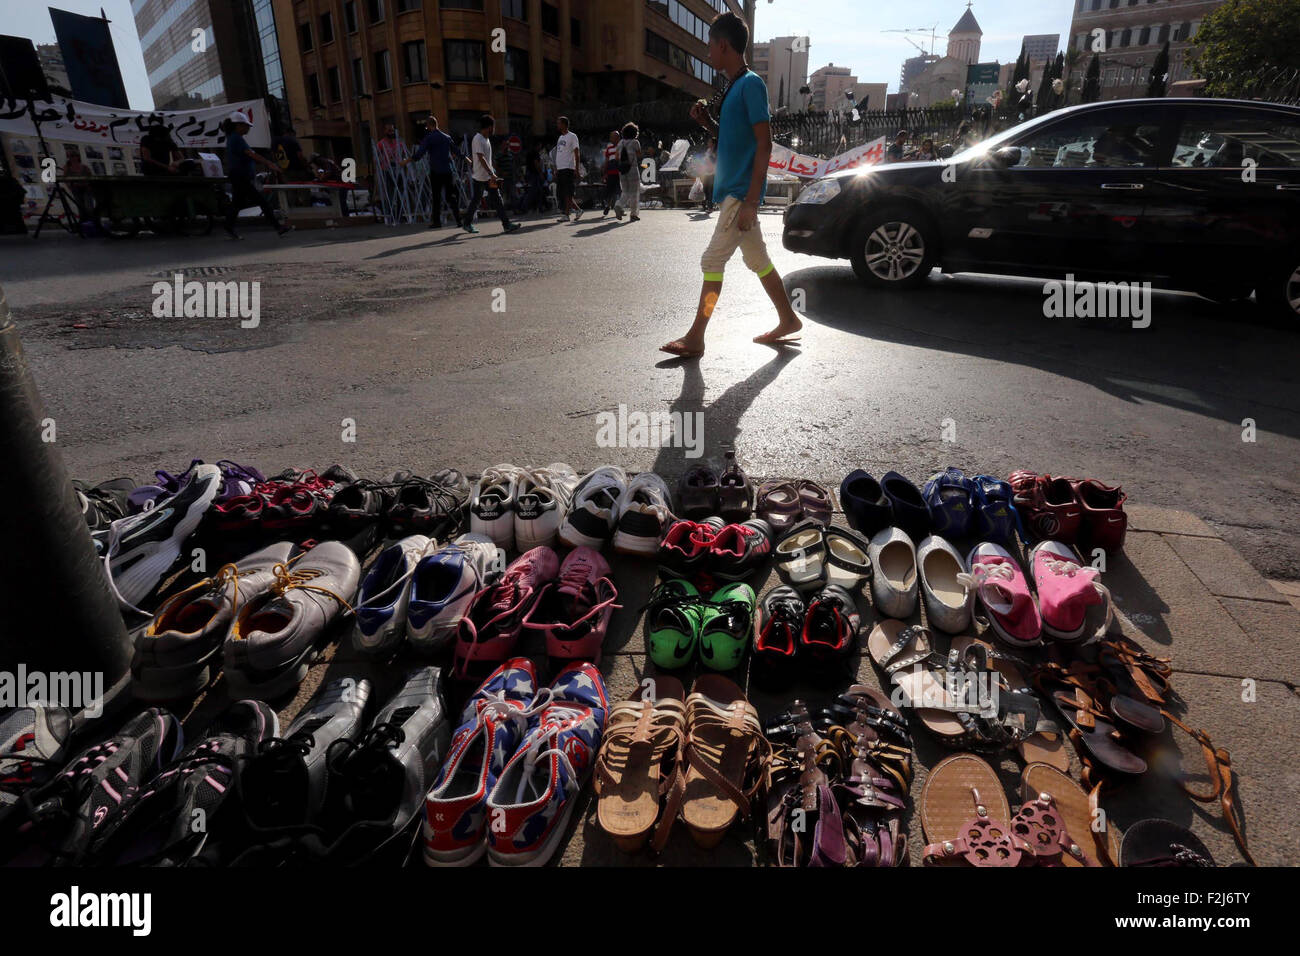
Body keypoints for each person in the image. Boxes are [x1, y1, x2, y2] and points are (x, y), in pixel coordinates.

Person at [660, 11, 802, 359]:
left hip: (741, 194)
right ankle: (788, 318)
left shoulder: (751, 84)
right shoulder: (737, 85)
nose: (708, 52)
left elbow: (764, 143)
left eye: (710, 44)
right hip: (738, 192)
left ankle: (696, 337)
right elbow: (735, 140)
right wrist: (708, 122)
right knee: (759, 260)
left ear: (723, 45)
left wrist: (752, 200)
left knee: (712, 261)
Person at [222, 110, 292, 239]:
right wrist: (270, 164)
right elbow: (251, 154)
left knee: (237, 204)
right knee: (263, 202)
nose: (248, 128)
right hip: (240, 176)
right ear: (238, 125)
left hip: (239, 176)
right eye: (246, 125)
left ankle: (228, 226)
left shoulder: (234, 138)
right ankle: (278, 227)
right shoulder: (236, 138)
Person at [401, 115, 464, 229]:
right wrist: (464, 157)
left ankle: (437, 222)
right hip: (447, 170)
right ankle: (459, 220)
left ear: (429, 126)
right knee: (451, 196)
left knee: (436, 197)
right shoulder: (447, 137)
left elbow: (420, 153)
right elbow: (456, 151)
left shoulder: (429, 138)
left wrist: (408, 160)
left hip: (435, 171)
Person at [462, 114, 520, 235]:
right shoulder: (478, 139)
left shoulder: (486, 139)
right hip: (480, 177)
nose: (494, 129)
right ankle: (467, 223)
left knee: (497, 199)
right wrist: (490, 173)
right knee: (476, 200)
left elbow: (488, 159)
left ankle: (506, 224)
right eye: (493, 126)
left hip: (488, 177)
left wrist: (493, 173)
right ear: (489, 127)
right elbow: (481, 158)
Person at [554, 116, 582, 222]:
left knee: (568, 192)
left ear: (565, 124)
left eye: (559, 123)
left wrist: (577, 168)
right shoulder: (560, 138)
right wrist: (556, 168)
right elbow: (559, 154)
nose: (557, 125)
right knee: (562, 193)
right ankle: (578, 210)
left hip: (568, 167)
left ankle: (566, 215)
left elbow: (576, 153)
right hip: (560, 168)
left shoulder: (572, 136)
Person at [614, 122, 642, 222]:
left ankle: (618, 205)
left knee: (625, 191)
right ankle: (633, 214)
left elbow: (616, 157)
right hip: (632, 170)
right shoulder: (635, 142)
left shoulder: (620, 143)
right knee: (634, 192)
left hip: (622, 170)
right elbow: (639, 155)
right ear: (635, 133)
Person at [375, 124, 402, 215]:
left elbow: (403, 154)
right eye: (389, 130)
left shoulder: (399, 142)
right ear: (385, 132)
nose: (391, 132)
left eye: (392, 130)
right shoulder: (381, 144)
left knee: (400, 192)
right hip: (386, 170)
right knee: (389, 193)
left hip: (398, 170)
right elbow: (376, 158)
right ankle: (390, 213)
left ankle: (399, 213)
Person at [601, 130, 621, 217]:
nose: (611, 139)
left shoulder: (622, 147)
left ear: (617, 138)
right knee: (611, 191)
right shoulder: (609, 148)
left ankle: (619, 208)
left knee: (620, 190)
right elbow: (606, 161)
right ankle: (608, 206)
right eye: (611, 137)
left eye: (613, 137)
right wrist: (604, 172)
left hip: (620, 172)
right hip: (611, 172)